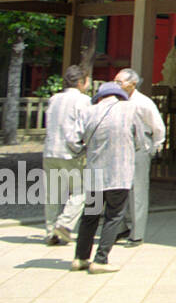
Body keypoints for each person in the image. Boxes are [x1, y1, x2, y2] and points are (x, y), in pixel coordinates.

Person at [67, 82, 141, 273]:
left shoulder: (88, 112)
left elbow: (72, 139)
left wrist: (83, 150)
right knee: (113, 216)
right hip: (120, 172)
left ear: (100, 97)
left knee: (90, 216)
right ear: (119, 96)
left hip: (95, 173)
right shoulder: (130, 110)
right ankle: (101, 259)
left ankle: (80, 258)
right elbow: (140, 140)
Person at [114, 68, 165, 245]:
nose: (116, 85)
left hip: (139, 148)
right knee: (117, 190)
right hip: (118, 150)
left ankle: (137, 233)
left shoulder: (144, 102)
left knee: (138, 192)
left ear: (132, 84)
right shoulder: (115, 101)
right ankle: (120, 227)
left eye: (120, 82)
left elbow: (158, 127)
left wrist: (155, 147)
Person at [42, 66, 92, 245]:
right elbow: (81, 128)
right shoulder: (84, 101)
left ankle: (50, 232)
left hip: (50, 150)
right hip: (70, 152)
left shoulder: (54, 99)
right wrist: (81, 148)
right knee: (81, 191)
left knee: (52, 194)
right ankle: (64, 223)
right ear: (80, 82)